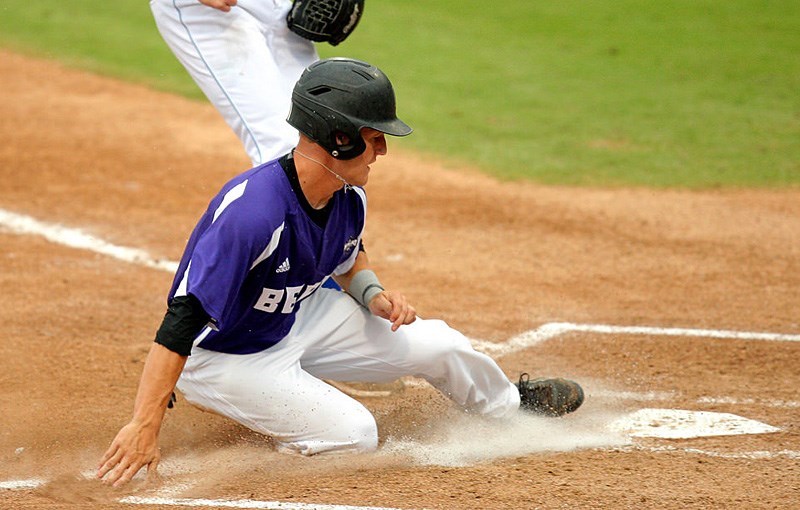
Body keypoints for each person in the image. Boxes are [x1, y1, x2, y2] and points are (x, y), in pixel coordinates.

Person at [96, 58, 584, 487]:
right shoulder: (254, 215)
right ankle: (274, 443)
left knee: (441, 343)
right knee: (354, 436)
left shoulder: (349, 197)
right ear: (340, 138)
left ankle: (509, 409)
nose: (383, 152)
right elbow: (181, 319)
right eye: (374, 139)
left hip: (296, 316)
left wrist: (373, 295)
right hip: (224, 355)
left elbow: (349, 259)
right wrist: (146, 422)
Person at [150, 0, 364, 167]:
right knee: (284, 146)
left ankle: (337, 224)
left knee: (329, 130)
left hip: (275, 7)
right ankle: (274, 224)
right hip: (208, 11)